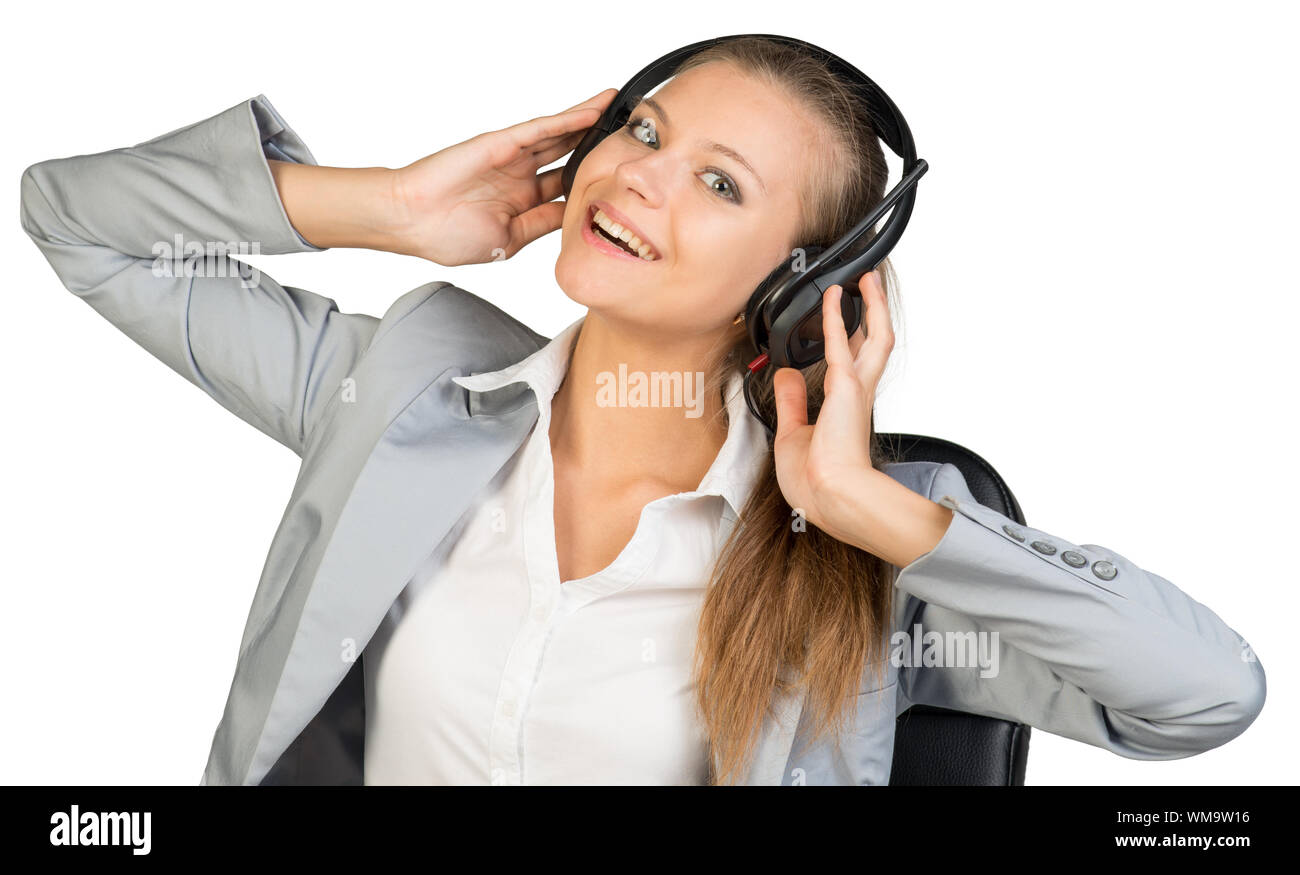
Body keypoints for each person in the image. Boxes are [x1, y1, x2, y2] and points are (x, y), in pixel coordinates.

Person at [20, 36, 1266, 786]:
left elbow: (1204, 697)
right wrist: (388, 206)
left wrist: (869, 508)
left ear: (802, 287)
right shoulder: (401, 393)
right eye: (644, 128)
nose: (637, 176)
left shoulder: (871, 563)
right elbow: (76, 223)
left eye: (718, 183)